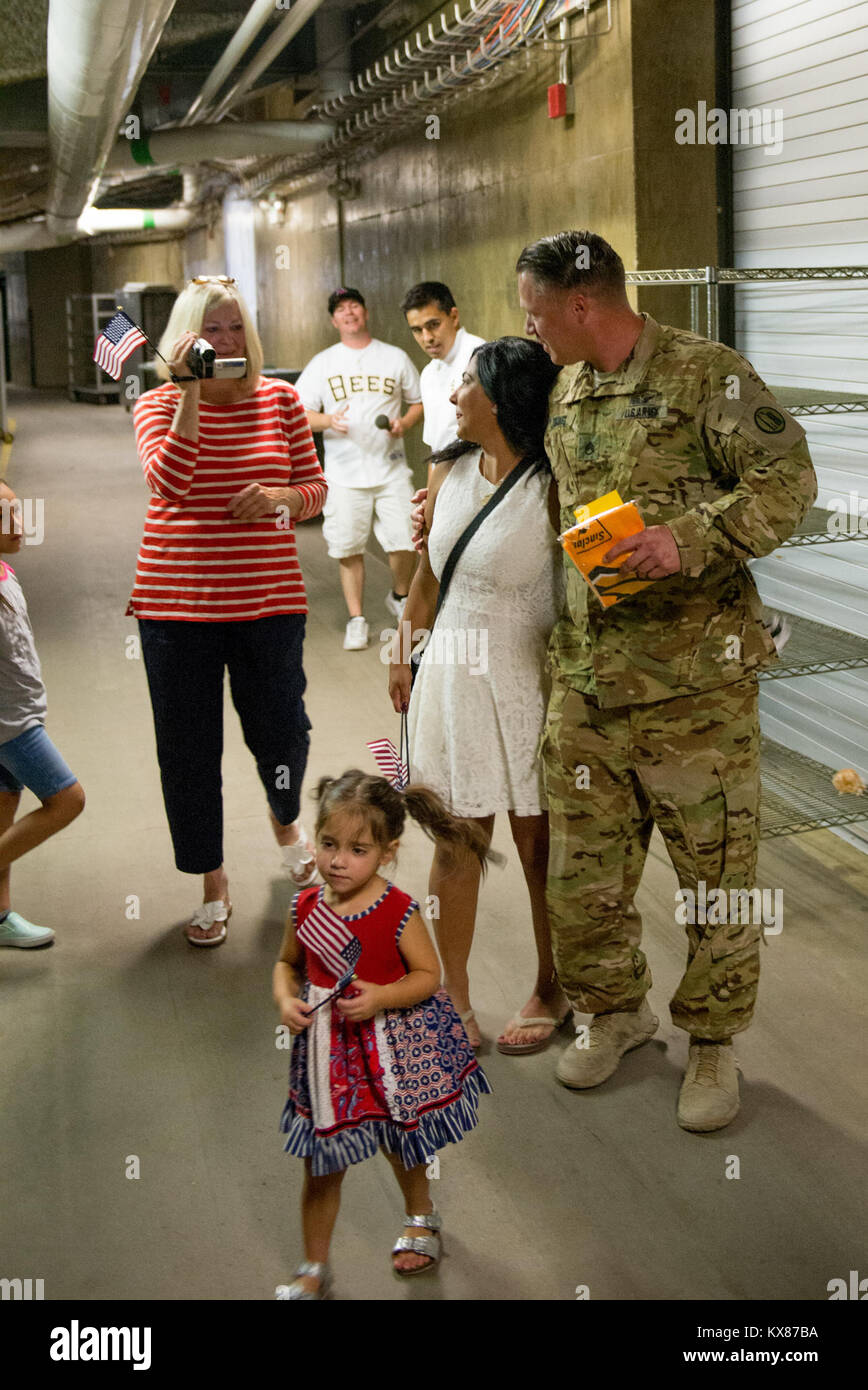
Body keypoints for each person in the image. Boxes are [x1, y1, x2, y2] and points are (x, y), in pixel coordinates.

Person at [516, 230, 818, 1130]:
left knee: (717, 877)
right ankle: (617, 1013)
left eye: (536, 311)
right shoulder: (568, 384)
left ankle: (714, 1044)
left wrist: (683, 539)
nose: (528, 328)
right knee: (582, 878)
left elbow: (788, 480)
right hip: (587, 681)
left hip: (697, 690)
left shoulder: (705, 374)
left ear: (581, 304)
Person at [129, 275, 328, 947]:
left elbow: (315, 487)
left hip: (268, 601)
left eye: (236, 327)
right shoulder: (156, 403)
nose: (227, 341)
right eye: (212, 330)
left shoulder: (281, 399)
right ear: (185, 339)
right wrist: (188, 391)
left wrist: (280, 497)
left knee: (283, 732)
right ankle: (212, 880)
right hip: (176, 606)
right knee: (188, 749)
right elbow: (171, 481)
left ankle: (285, 822)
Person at [390, 338, 570, 1054]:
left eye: (466, 382)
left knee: (539, 850)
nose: (454, 392)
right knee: (455, 844)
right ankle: (451, 994)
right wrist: (403, 653)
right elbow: (430, 579)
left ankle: (553, 987)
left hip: (530, 679)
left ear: (499, 399)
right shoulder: (448, 473)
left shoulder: (556, 484)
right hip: (452, 680)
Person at [273, 768, 492, 1299]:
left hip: (392, 1051)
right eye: (328, 844)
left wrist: (380, 997)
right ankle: (313, 1268)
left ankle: (421, 1216)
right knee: (321, 1164)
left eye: (357, 849)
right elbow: (286, 963)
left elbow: (427, 976)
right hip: (327, 1056)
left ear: (388, 852)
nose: (337, 860)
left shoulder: (397, 910)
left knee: (404, 1142)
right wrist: (285, 999)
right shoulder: (305, 908)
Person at [295, 288, 423, 651]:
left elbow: (417, 402)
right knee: (348, 547)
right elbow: (300, 413)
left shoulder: (394, 357)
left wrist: (404, 424)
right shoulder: (323, 363)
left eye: (354, 306)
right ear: (334, 320)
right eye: (340, 309)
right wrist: (328, 420)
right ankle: (357, 619)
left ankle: (399, 597)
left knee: (404, 540)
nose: (349, 313)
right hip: (343, 474)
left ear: (365, 313)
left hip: (391, 470)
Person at [0, 481, 85, 947]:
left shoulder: (5, 573)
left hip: (18, 713)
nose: (17, 524)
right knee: (68, 800)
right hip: (12, 727)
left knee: (3, 814)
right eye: (2, 517)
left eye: (17, 511)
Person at [401, 281, 485, 464]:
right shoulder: (428, 374)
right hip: (448, 477)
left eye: (433, 325)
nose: (427, 338)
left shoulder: (480, 355)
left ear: (454, 317)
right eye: (417, 330)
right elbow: (436, 448)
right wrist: (433, 492)